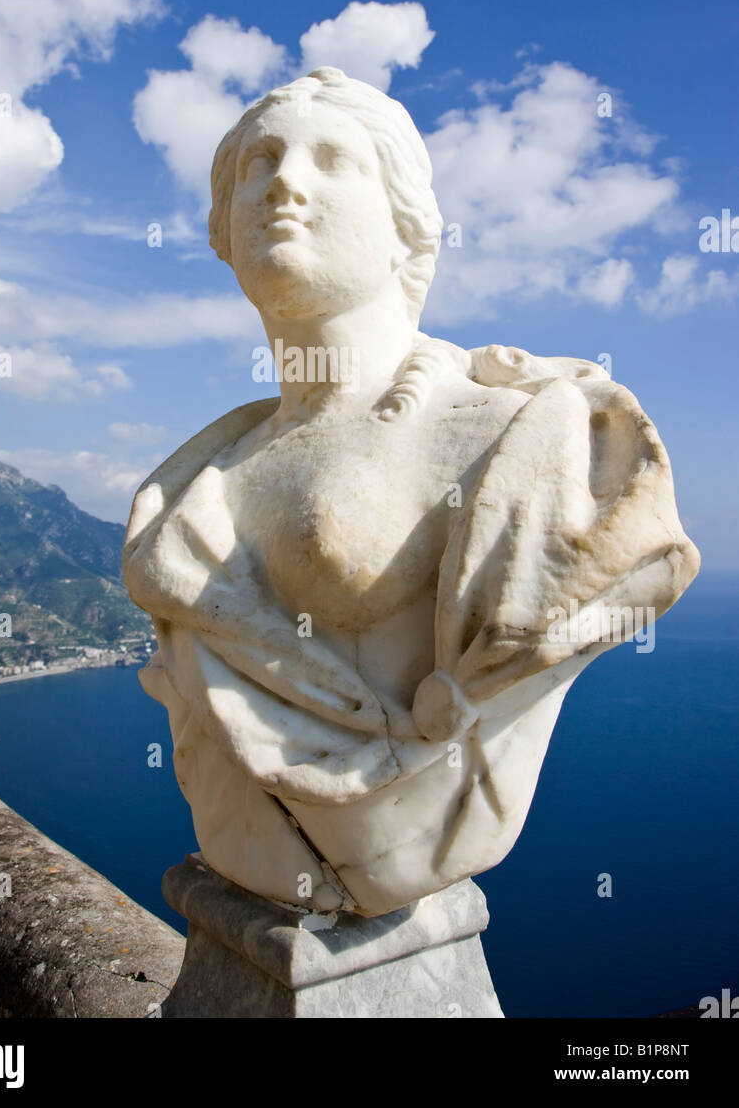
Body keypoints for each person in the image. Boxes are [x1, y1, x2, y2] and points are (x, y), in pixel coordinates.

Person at [123, 67, 699, 918]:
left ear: (406, 229)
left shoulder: (528, 443)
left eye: (332, 161)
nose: (285, 180)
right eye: (260, 162)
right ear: (222, 229)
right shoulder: (194, 487)